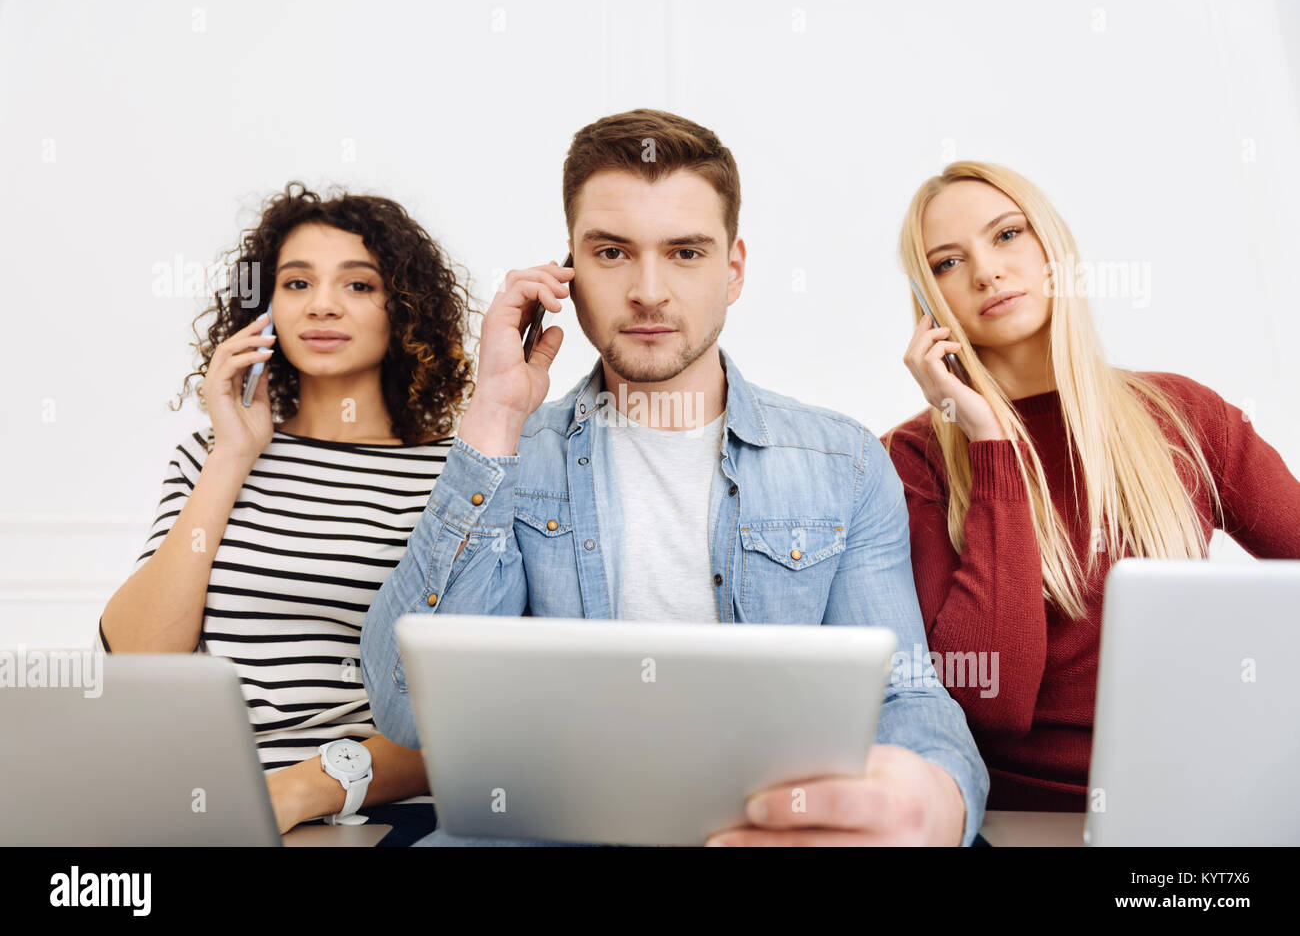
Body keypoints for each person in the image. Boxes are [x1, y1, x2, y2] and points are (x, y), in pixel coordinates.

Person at [361, 109, 988, 846]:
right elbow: (403, 705)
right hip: (549, 830)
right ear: (566, 271)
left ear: (735, 269)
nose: (648, 291)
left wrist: (936, 801)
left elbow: (904, 690)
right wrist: (494, 418)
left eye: (686, 252)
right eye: (612, 252)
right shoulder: (507, 456)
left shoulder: (843, 463)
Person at [884, 160, 1300, 811]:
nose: (988, 271)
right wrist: (991, 443)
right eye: (946, 262)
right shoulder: (911, 459)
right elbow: (991, 698)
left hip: (1190, 804)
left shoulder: (1185, 415)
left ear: (1052, 244)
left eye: (1007, 235)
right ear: (928, 301)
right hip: (1019, 816)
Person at [98, 182, 477, 843]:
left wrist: (295, 792)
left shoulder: (454, 477)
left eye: (358, 285)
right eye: (297, 284)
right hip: (204, 807)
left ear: (404, 310)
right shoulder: (208, 458)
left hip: (366, 810)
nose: (323, 304)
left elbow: (471, 716)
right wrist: (232, 456)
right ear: (264, 309)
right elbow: (137, 656)